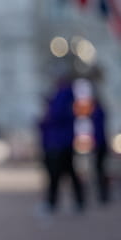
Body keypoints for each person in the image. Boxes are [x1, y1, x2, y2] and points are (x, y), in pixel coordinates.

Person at [38, 72, 85, 216]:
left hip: (60, 142)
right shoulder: (65, 95)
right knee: (65, 173)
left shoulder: (64, 95)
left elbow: (56, 116)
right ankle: (76, 201)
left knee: (57, 174)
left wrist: (46, 118)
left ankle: (54, 202)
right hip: (60, 141)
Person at [90, 90, 110, 205]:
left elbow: (97, 131)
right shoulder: (99, 111)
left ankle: (103, 194)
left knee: (100, 170)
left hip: (99, 144)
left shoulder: (97, 112)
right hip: (100, 143)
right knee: (100, 170)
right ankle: (103, 194)